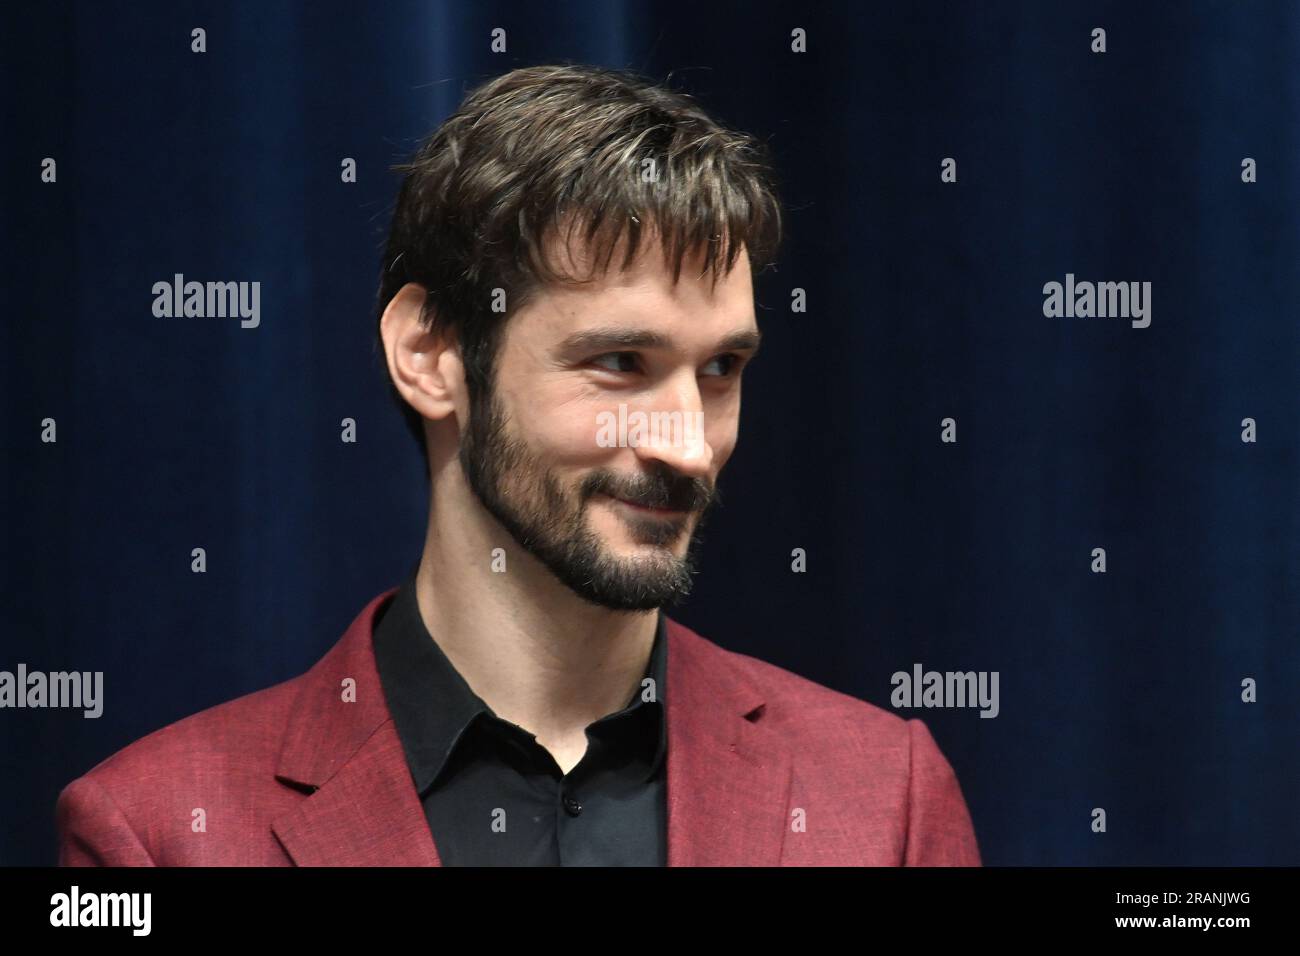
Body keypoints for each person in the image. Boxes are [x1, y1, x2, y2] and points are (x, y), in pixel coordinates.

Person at [56, 63, 980, 866]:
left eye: (722, 370)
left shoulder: (883, 798)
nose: (691, 446)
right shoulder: (161, 833)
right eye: (621, 364)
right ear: (430, 354)